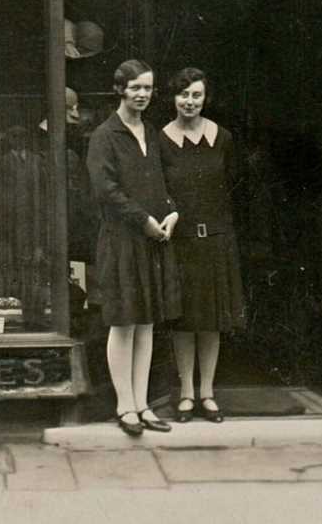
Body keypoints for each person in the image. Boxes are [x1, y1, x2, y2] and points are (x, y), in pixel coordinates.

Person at [86, 58, 180, 436]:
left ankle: (143, 405)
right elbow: (106, 191)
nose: (142, 94)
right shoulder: (104, 136)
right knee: (124, 322)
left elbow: (160, 182)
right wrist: (144, 221)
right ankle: (124, 406)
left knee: (146, 324)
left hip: (152, 238)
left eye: (148, 88)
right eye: (135, 87)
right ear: (120, 90)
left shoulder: (150, 132)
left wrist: (171, 212)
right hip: (122, 240)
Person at [159, 67, 246, 424]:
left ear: (206, 98)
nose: (189, 101)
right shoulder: (161, 140)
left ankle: (207, 394)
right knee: (184, 321)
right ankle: (185, 394)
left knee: (211, 321)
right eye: (183, 95)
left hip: (216, 240)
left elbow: (234, 187)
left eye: (196, 95)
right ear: (173, 98)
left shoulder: (222, 138)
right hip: (180, 243)